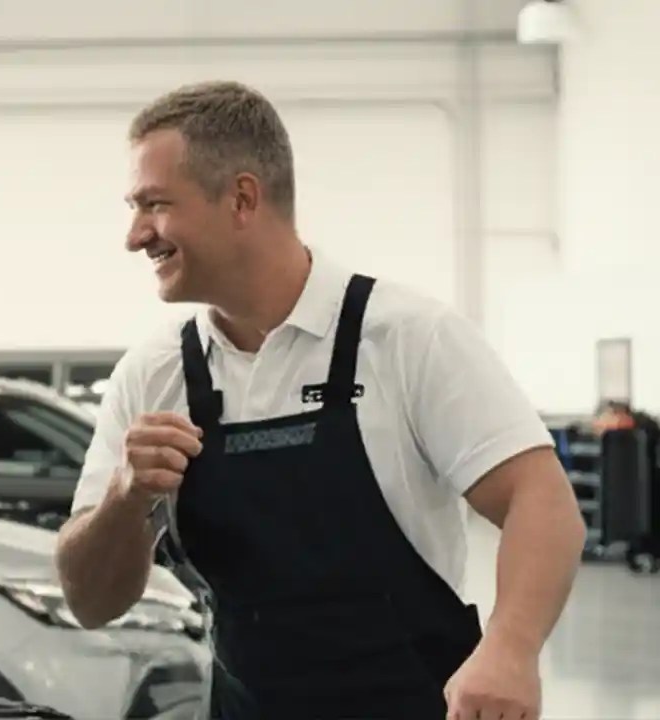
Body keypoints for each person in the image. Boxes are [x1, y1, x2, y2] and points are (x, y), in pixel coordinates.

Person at [54, 81, 586, 719]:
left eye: (156, 204)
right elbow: (89, 602)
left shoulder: (407, 338)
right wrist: (124, 498)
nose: (136, 235)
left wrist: (511, 647)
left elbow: (543, 502)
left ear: (242, 199)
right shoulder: (153, 373)